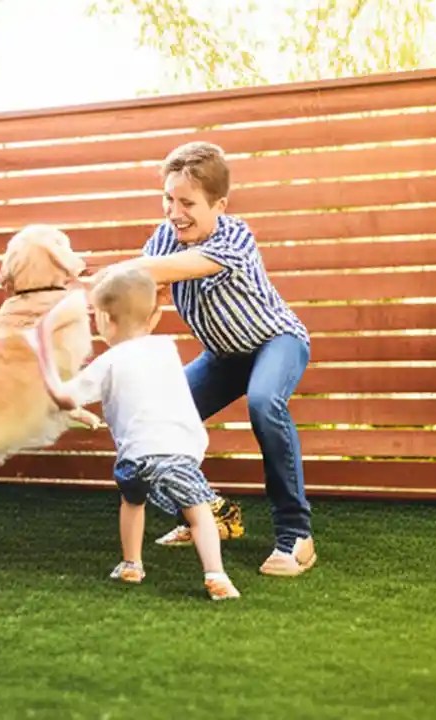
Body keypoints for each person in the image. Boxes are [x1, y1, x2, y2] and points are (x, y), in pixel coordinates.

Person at [88, 141, 317, 577]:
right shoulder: (163, 239)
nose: (175, 212)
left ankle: (295, 533)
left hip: (276, 341)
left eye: (187, 202)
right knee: (154, 420)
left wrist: (110, 276)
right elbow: (137, 295)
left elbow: (157, 271)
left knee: (265, 403)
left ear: (219, 205)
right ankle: (210, 512)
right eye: (169, 199)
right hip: (224, 356)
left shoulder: (235, 237)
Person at [29, 269, 240, 600]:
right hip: (178, 454)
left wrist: (46, 365)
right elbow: (146, 320)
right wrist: (153, 305)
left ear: (103, 320)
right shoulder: (166, 350)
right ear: (153, 316)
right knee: (198, 514)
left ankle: (131, 564)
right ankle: (216, 574)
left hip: (135, 458)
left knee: (132, 501)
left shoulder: (109, 362)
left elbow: (65, 396)